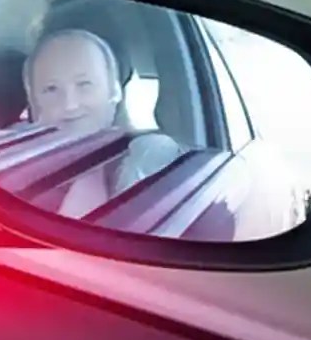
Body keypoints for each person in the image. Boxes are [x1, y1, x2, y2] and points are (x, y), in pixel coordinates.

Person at [21, 28, 189, 217]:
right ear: (34, 102)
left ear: (115, 91)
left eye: (84, 84)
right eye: (51, 89)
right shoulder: (14, 159)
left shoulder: (148, 155)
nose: (70, 104)